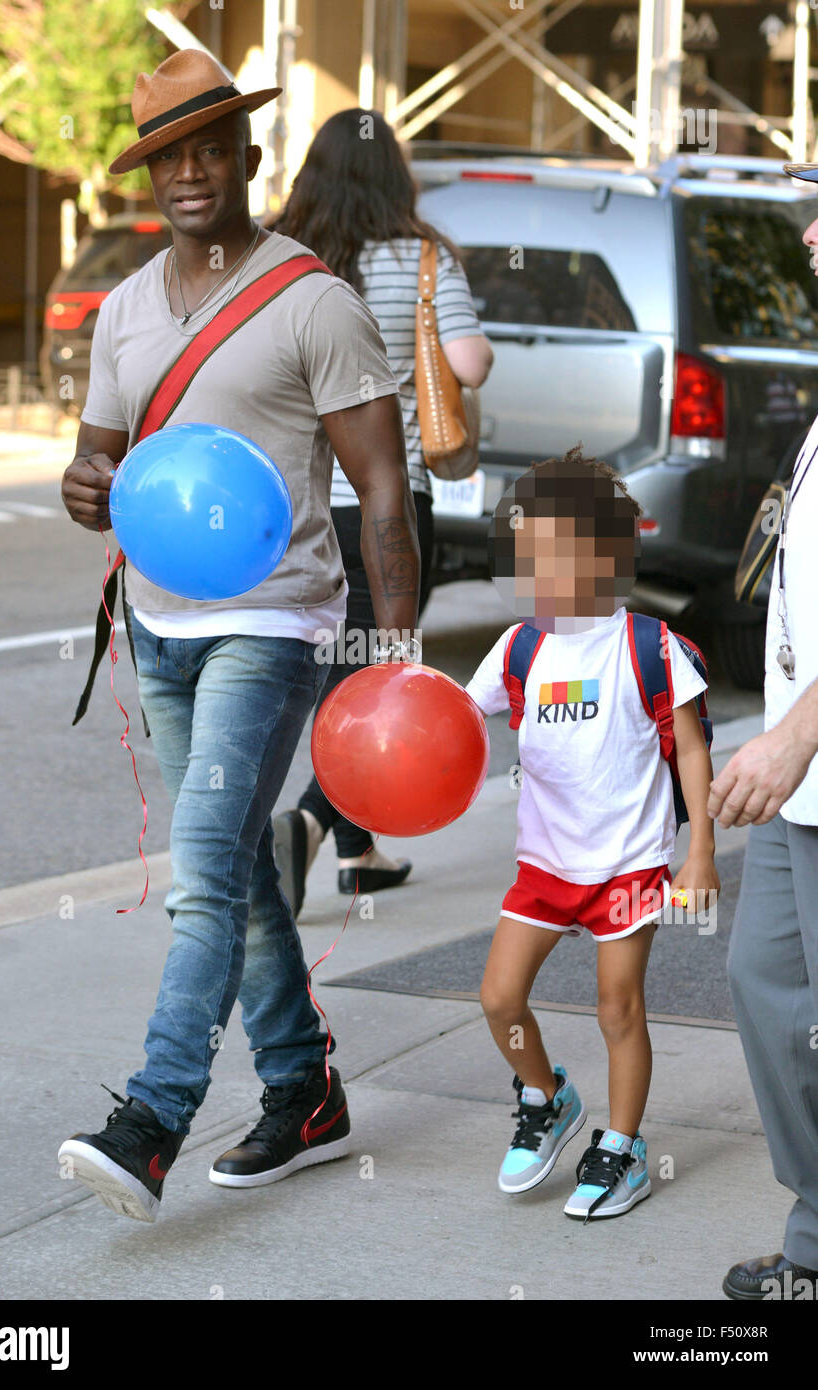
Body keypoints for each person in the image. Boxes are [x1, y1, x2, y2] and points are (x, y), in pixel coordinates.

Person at [57, 50, 419, 1223]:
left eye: (214, 146)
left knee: (204, 874)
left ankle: (152, 1120)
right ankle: (305, 1092)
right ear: (153, 173)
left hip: (273, 622)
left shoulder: (315, 299)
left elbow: (383, 489)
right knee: (244, 871)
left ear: (250, 158)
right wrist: (82, 480)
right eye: (172, 154)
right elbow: (104, 459)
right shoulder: (120, 310)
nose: (194, 170)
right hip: (157, 623)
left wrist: (396, 661)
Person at [465, 446, 720, 1219]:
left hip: (627, 864)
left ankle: (624, 1147)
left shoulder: (650, 648)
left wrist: (700, 853)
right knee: (499, 999)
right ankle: (546, 1097)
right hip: (545, 864)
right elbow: (450, 721)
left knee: (619, 1009)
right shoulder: (519, 648)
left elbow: (694, 753)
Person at [267, 109, 494, 916]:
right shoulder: (423, 259)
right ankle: (307, 823)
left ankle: (359, 851)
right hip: (385, 506)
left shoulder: (280, 259)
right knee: (369, 673)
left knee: (325, 671)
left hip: (287, 509)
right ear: (396, 174)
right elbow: (468, 361)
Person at [715, 162, 818, 1299]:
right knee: (769, 987)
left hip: (813, 756)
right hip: (803, 783)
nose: (809, 235)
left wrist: (795, 734)